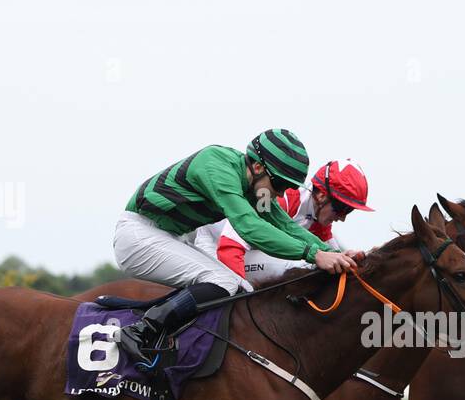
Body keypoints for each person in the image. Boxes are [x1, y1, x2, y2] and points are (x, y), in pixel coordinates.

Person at [111, 129, 357, 368]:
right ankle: (141, 331)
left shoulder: (255, 182)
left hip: (171, 236)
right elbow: (249, 227)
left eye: (288, 187)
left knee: (242, 289)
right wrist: (313, 254)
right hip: (138, 236)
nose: (281, 192)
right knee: (224, 282)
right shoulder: (217, 165)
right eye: (281, 184)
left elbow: (283, 223)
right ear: (258, 167)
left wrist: (335, 254)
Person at [214, 158, 372, 284]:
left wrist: (359, 258)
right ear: (322, 196)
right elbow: (229, 247)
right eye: (342, 208)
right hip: (215, 247)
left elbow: (335, 257)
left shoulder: (318, 218)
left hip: (239, 253)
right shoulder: (283, 201)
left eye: (349, 211)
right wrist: (240, 292)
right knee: (304, 267)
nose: (342, 218)